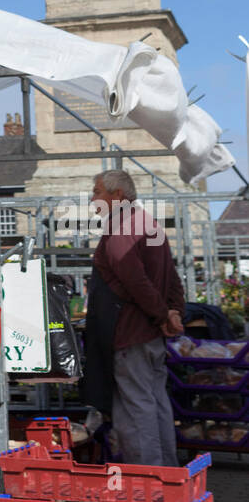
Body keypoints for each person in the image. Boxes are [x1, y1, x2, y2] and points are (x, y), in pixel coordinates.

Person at [90, 169, 185, 466]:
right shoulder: (149, 223)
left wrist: (161, 315)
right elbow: (171, 276)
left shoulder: (121, 227)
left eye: (97, 192)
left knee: (136, 411)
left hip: (130, 334)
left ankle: (148, 485)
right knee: (156, 404)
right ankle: (168, 476)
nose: (93, 199)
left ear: (117, 195)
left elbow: (134, 281)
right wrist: (172, 312)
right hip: (151, 334)